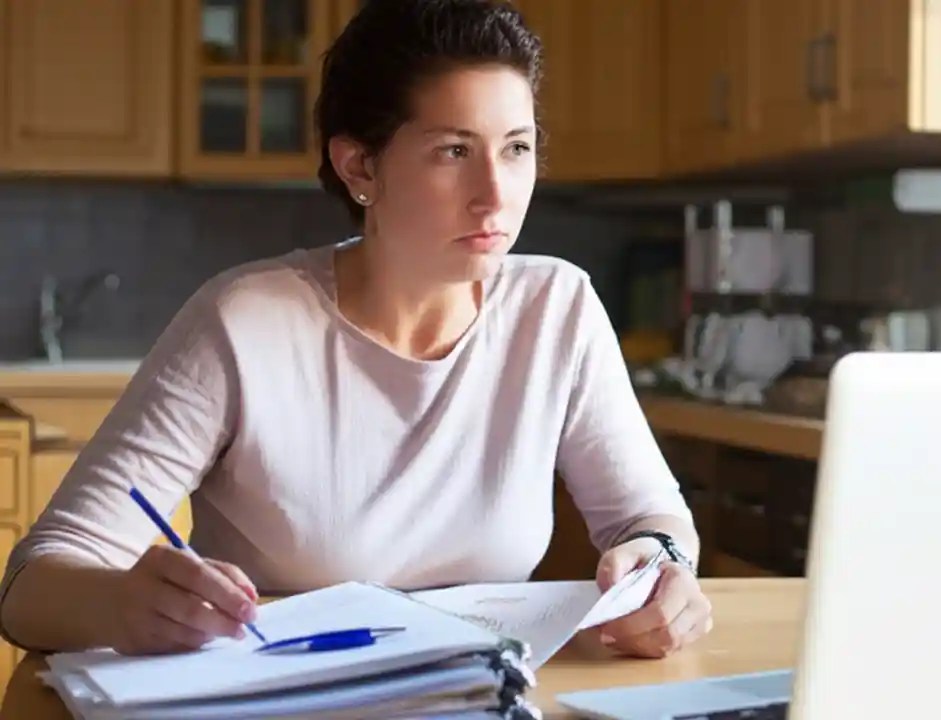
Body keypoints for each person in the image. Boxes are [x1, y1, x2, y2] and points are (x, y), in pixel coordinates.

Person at [0, 0, 710, 660]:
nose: (496, 193)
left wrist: (661, 566)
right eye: (455, 151)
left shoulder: (557, 308)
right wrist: (123, 606)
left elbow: (651, 519)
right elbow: (32, 584)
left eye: (516, 148)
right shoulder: (243, 323)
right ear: (359, 165)